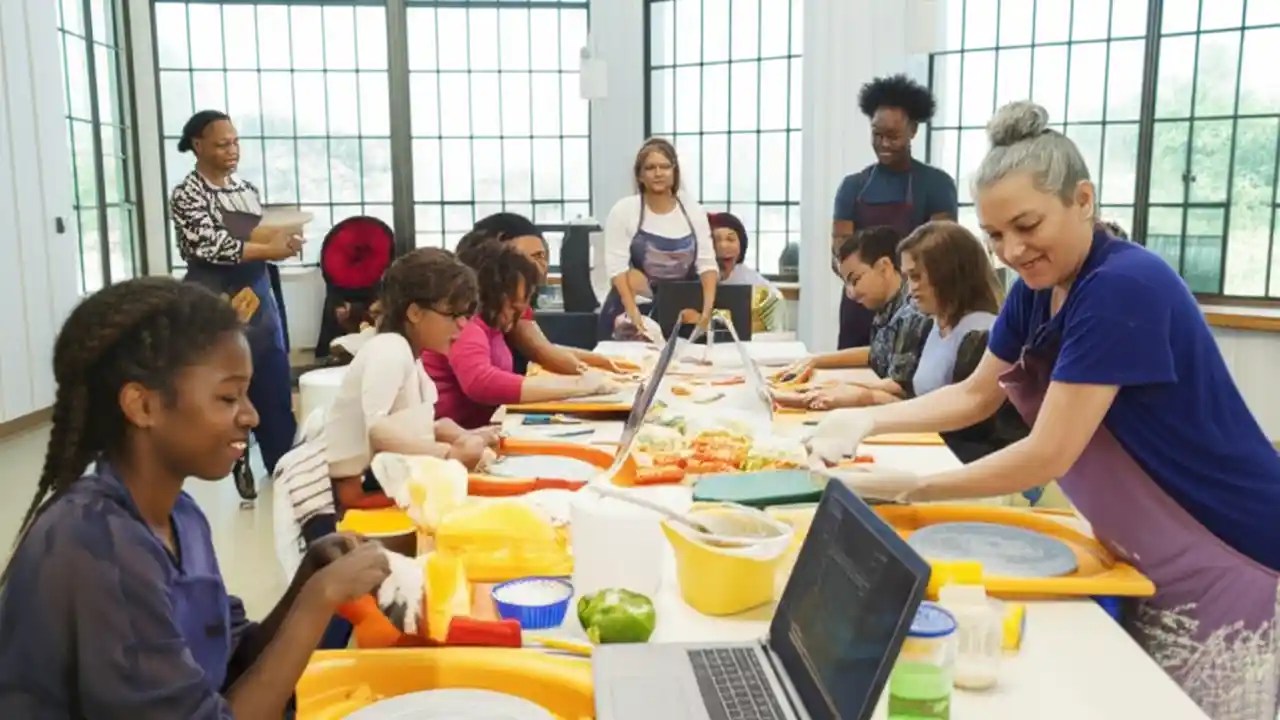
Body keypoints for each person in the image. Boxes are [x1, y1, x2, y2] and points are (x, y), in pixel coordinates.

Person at [808, 101, 1280, 718]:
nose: (1012, 250)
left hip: (1228, 548)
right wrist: (868, 419)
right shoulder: (1040, 290)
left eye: (1028, 225)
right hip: (1140, 550)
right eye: (996, 235)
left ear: (1082, 200)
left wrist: (912, 487)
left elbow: (1048, 454)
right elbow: (977, 393)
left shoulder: (1122, 287)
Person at [0, 278, 390, 718]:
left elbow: (232, 661)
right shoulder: (94, 546)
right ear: (142, 406)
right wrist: (320, 599)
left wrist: (309, 581)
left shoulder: (180, 516)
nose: (252, 415)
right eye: (228, 397)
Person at [275, 248, 496, 547]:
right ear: (415, 312)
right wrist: (449, 455)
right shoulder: (390, 349)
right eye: (453, 315)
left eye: (466, 316)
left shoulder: (411, 355)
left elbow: (413, 424)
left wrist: (463, 434)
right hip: (338, 497)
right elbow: (378, 431)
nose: (462, 326)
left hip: (364, 487)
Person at [803, 222, 1028, 464]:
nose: (910, 289)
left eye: (917, 277)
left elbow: (963, 428)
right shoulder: (936, 325)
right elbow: (916, 394)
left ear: (948, 273)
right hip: (934, 451)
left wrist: (866, 402)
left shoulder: (979, 336)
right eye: (909, 276)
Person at [170, 110, 299, 491]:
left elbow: (249, 233)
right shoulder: (187, 194)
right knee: (226, 383)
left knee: (273, 379)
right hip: (214, 291)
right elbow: (212, 245)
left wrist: (282, 242)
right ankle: (235, 457)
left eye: (236, 142)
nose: (232, 150)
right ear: (198, 145)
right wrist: (268, 249)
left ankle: (285, 464)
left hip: (257, 290)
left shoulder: (243, 189)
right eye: (223, 143)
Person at [425, 241, 617, 430]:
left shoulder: (493, 326)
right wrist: (579, 386)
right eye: (514, 304)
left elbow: (549, 348)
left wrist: (599, 365)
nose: (521, 309)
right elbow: (481, 382)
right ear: (494, 291)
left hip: (474, 432)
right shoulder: (467, 325)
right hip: (448, 438)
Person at [832, 74, 958, 352]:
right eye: (877, 134)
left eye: (893, 136)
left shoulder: (937, 185)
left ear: (913, 130)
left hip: (915, 306)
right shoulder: (852, 187)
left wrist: (897, 288)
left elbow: (943, 252)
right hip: (859, 306)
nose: (884, 143)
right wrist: (865, 283)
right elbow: (839, 252)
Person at [776, 227, 931, 401]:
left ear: (884, 267)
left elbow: (898, 388)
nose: (851, 293)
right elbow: (876, 353)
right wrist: (814, 360)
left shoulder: (912, 312)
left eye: (855, 280)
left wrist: (832, 387)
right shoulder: (887, 307)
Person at [466, 213, 630, 374]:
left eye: (542, 256)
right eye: (530, 257)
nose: (539, 266)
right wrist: (598, 378)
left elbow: (549, 349)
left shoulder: (516, 302)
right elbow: (545, 353)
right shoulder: (496, 308)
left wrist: (603, 362)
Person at [600, 138, 718, 341]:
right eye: (650, 167)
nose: (658, 173)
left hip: (680, 312)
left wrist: (707, 312)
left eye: (664, 166)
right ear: (640, 175)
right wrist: (634, 315)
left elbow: (707, 264)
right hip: (631, 309)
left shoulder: (692, 210)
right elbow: (616, 268)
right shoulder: (624, 210)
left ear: (674, 172)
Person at [708, 211, 784, 333]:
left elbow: (776, 301)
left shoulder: (753, 281)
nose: (723, 245)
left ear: (741, 245)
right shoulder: (692, 276)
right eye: (715, 240)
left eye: (730, 239)